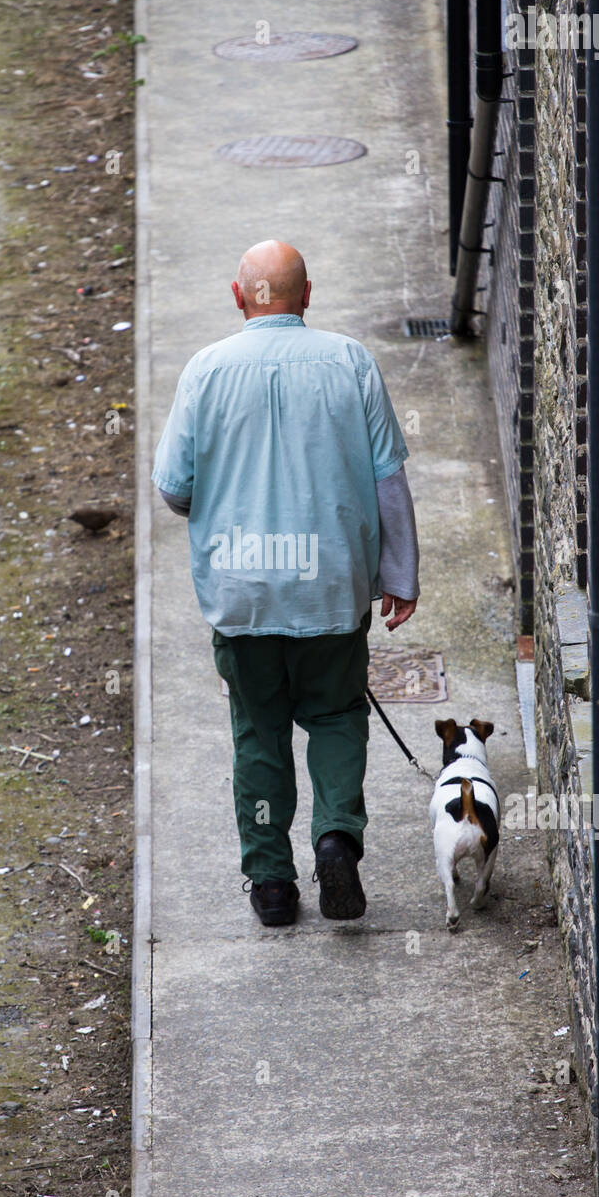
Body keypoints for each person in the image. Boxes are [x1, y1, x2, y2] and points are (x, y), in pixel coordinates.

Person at [152, 240, 419, 926]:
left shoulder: (205, 370)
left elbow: (175, 487)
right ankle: (335, 837)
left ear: (238, 297)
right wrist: (399, 574)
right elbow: (388, 478)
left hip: (242, 597)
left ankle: (271, 884)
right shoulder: (350, 361)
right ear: (307, 295)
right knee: (334, 716)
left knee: (259, 732)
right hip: (330, 590)